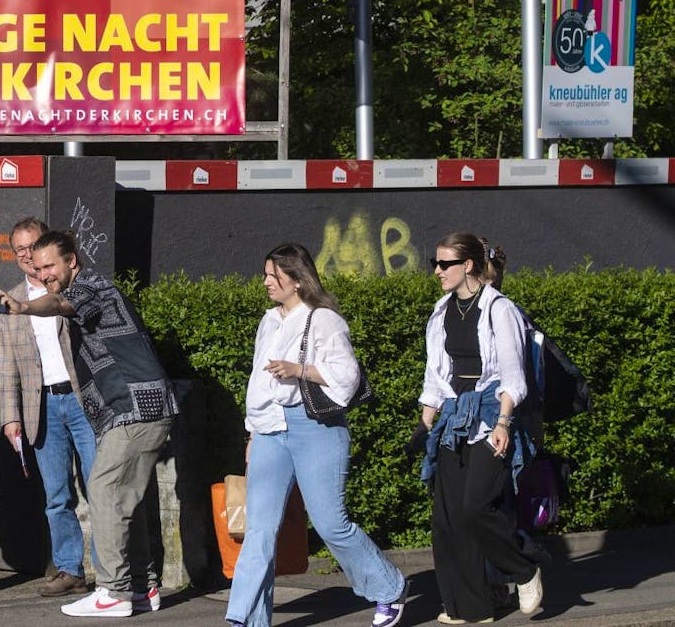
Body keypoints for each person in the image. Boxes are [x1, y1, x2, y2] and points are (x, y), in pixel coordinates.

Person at [0, 230, 179, 618]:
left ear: (72, 260)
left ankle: (114, 591)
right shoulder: (82, 289)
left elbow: (59, 302)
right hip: (130, 410)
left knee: (104, 491)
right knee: (125, 499)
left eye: (50, 266)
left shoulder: (92, 286)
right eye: (37, 269)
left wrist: (23, 308)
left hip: (135, 407)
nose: (43, 275)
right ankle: (142, 587)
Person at [225, 243, 408, 627]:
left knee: (330, 524)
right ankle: (244, 620)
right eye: (265, 276)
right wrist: (253, 434)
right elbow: (257, 382)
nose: (266, 283)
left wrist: (299, 369)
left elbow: (347, 376)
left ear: (295, 279)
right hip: (270, 430)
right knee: (258, 529)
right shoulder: (269, 320)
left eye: (273, 277)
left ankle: (389, 587)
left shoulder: (322, 319)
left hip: (315, 427)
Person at [418, 232, 543, 624]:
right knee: (448, 518)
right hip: (455, 418)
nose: (437, 271)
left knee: (475, 506)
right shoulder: (441, 311)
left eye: (444, 264)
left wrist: (504, 421)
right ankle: (469, 609)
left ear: (467, 266)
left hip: (491, 415)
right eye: (435, 264)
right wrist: (426, 418)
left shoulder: (498, 309)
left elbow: (512, 374)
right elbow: (435, 373)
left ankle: (524, 570)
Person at [0, 217, 96, 597]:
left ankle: (110, 571)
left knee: (99, 486)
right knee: (57, 494)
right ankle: (70, 569)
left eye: (31, 246)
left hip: (82, 399)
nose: (25, 255)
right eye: (18, 249)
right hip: (43, 407)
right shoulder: (8, 300)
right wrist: (11, 416)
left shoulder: (72, 289)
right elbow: (7, 366)